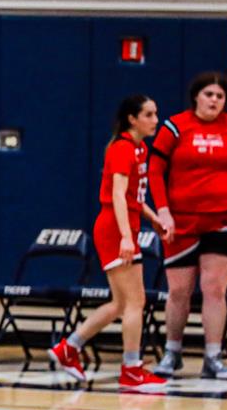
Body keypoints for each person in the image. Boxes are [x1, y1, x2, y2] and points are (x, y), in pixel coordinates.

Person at [49, 94, 171, 392]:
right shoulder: (122, 149)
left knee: (120, 304)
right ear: (132, 118)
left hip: (124, 223)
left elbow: (131, 197)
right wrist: (127, 237)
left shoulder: (140, 148)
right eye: (149, 114)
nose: (156, 120)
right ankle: (131, 370)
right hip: (116, 227)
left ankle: (69, 347)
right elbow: (117, 194)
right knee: (136, 302)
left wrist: (152, 217)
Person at [150, 72, 227, 379]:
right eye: (209, 94)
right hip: (181, 221)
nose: (214, 100)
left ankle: (213, 357)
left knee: (214, 289)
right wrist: (164, 211)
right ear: (196, 96)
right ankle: (172, 353)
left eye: (220, 96)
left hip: (223, 219)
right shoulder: (175, 126)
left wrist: (220, 189)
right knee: (179, 290)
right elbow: (155, 170)